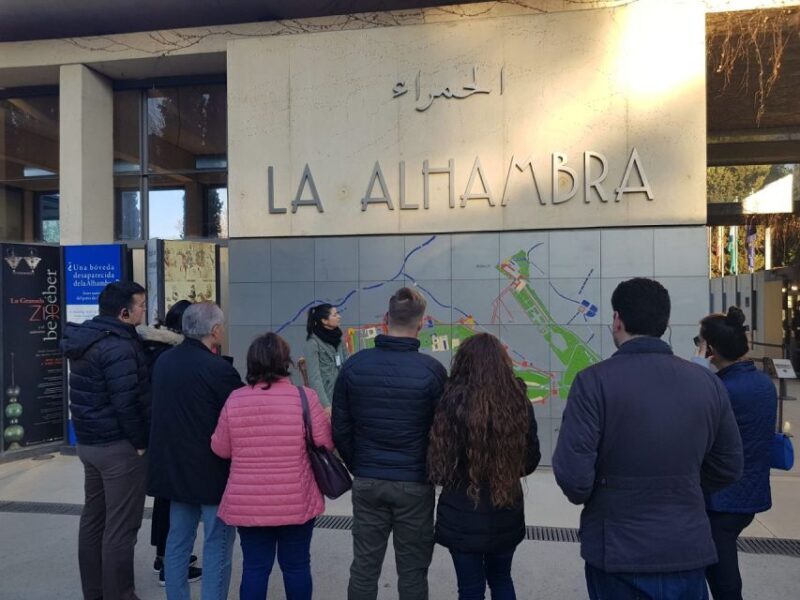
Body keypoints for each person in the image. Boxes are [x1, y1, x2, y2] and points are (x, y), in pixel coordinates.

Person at [552, 277, 744, 600]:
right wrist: (685, 484)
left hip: (615, 548)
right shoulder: (707, 383)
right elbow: (729, 465)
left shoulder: (592, 382)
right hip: (687, 545)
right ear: (665, 324)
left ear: (617, 320)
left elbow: (574, 478)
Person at [333, 287, 447, 600]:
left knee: (364, 567)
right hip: (414, 482)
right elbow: (443, 432)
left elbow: (340, 427)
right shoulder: (432, 371)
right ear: (421, 324)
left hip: (368, 478)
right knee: (412, 571)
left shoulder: (355, 366)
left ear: (385, 320)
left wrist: (359, 464)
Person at [211, 332, 334, 600]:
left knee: (255, 568)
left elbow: (220, 448)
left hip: (248, 501)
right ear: (285, 361)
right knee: (297, 566)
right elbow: (325, 443)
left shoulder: (235, 399)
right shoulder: (305, 397)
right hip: (296, 499)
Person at [427, 333, 541, 600]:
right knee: (502, 580)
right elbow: (531, 460)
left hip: (460, 513)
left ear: (463, 364)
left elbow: (439, 466)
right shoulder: (518, 401)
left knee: (469, 588)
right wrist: (504, 467)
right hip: (506, 509)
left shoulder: (450, 402)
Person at [147, 302, 243, 600]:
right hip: (212, 472)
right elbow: (236, 417)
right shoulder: (219, 370)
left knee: (178, 540)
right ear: (215, 330)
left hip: (174, 469)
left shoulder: (164, 361)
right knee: (217, 543)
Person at [61, 281, 150, 600]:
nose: (144, 310)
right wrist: (140, 442)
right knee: (121, 527)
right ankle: (120, 594)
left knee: (94, 519)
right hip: (118, 447)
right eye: (140, 305)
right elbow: (126, 401)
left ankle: (95, 592)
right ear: (124, 312)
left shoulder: (88, 338)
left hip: (89, 442)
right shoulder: (118, 346)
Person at [695, 307, 777, 600]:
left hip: (720, 497)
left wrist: (697, 367)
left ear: (711, 350)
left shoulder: (720, 389)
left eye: (699, 342)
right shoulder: (763, 384)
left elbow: (690, 423)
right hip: (749, 490)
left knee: (723, 576)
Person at [136, 299, 201, 585]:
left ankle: (166, 556)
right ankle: (168, 564)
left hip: (158, 434)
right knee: (174, 500)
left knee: (166, 498)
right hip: (172, 434)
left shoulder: (152, 347)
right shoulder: (169, 353)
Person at [303, 303, 348, 414]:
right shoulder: (313, 343)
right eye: (335, 314)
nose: (339, 316)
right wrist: (326, 406)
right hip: (327, 402)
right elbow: (314, 379)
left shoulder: (339, 340)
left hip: (343, 399)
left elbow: (347, 366)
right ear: (324, 320)